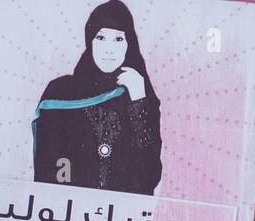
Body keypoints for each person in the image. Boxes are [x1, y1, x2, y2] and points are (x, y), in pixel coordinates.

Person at [33, 0, 163, 195]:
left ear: (129, 44)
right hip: (68, 209)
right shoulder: (61, 92)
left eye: (118, 39)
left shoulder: (140, 94)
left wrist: (139, 100)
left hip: (122, 217)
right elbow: (49, 162)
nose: (109, 49)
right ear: (90, 41)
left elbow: (149, 174)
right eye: (101, 38)